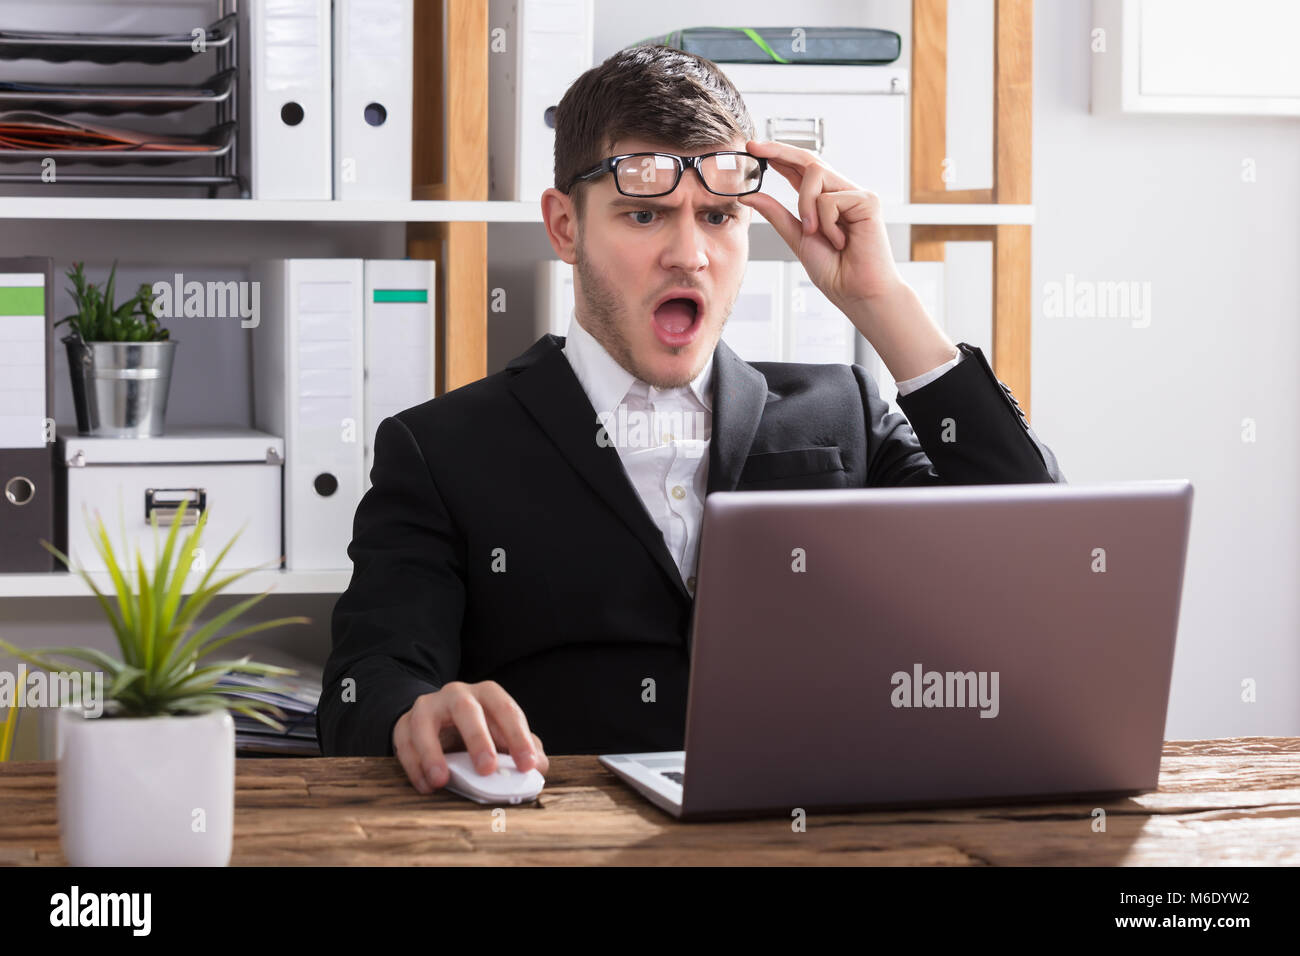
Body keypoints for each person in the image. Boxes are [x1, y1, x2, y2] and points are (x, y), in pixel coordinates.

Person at [317, 44, 1065, 794]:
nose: (690, 255)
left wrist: (882, 304)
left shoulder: (845, 412)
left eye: (718, 217)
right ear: (565, 227)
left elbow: (1030, 553)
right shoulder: (441, 448)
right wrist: (417, 710)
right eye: (644, 214)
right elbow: (363, 686)